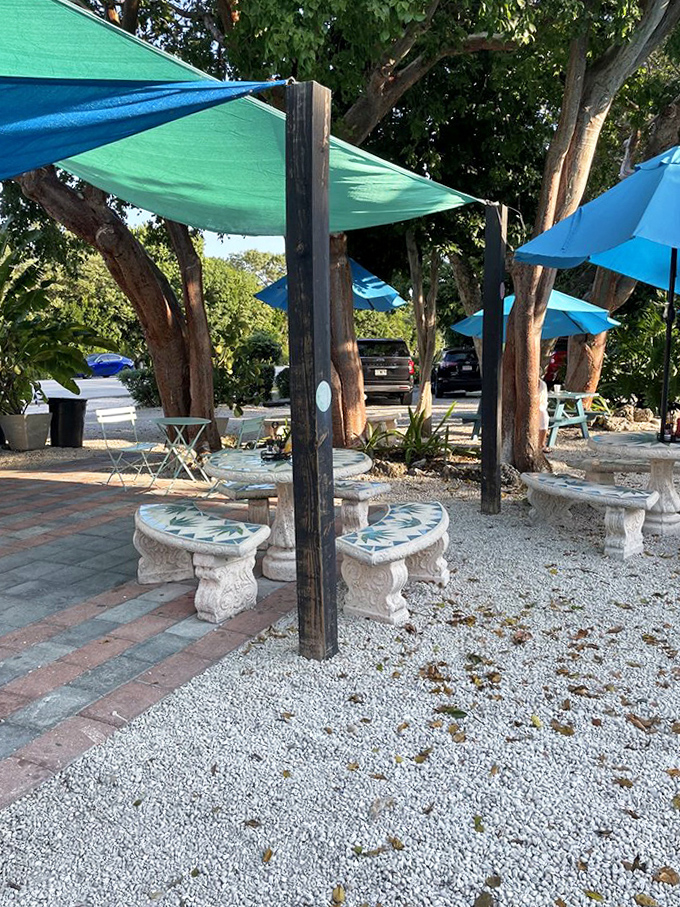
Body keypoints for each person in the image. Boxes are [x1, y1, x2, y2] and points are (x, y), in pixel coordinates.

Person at [538, 377, 550, 452]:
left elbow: (543, 401)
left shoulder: (542, 384)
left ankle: (541, 443)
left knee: (544, 415)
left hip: (539, 406)